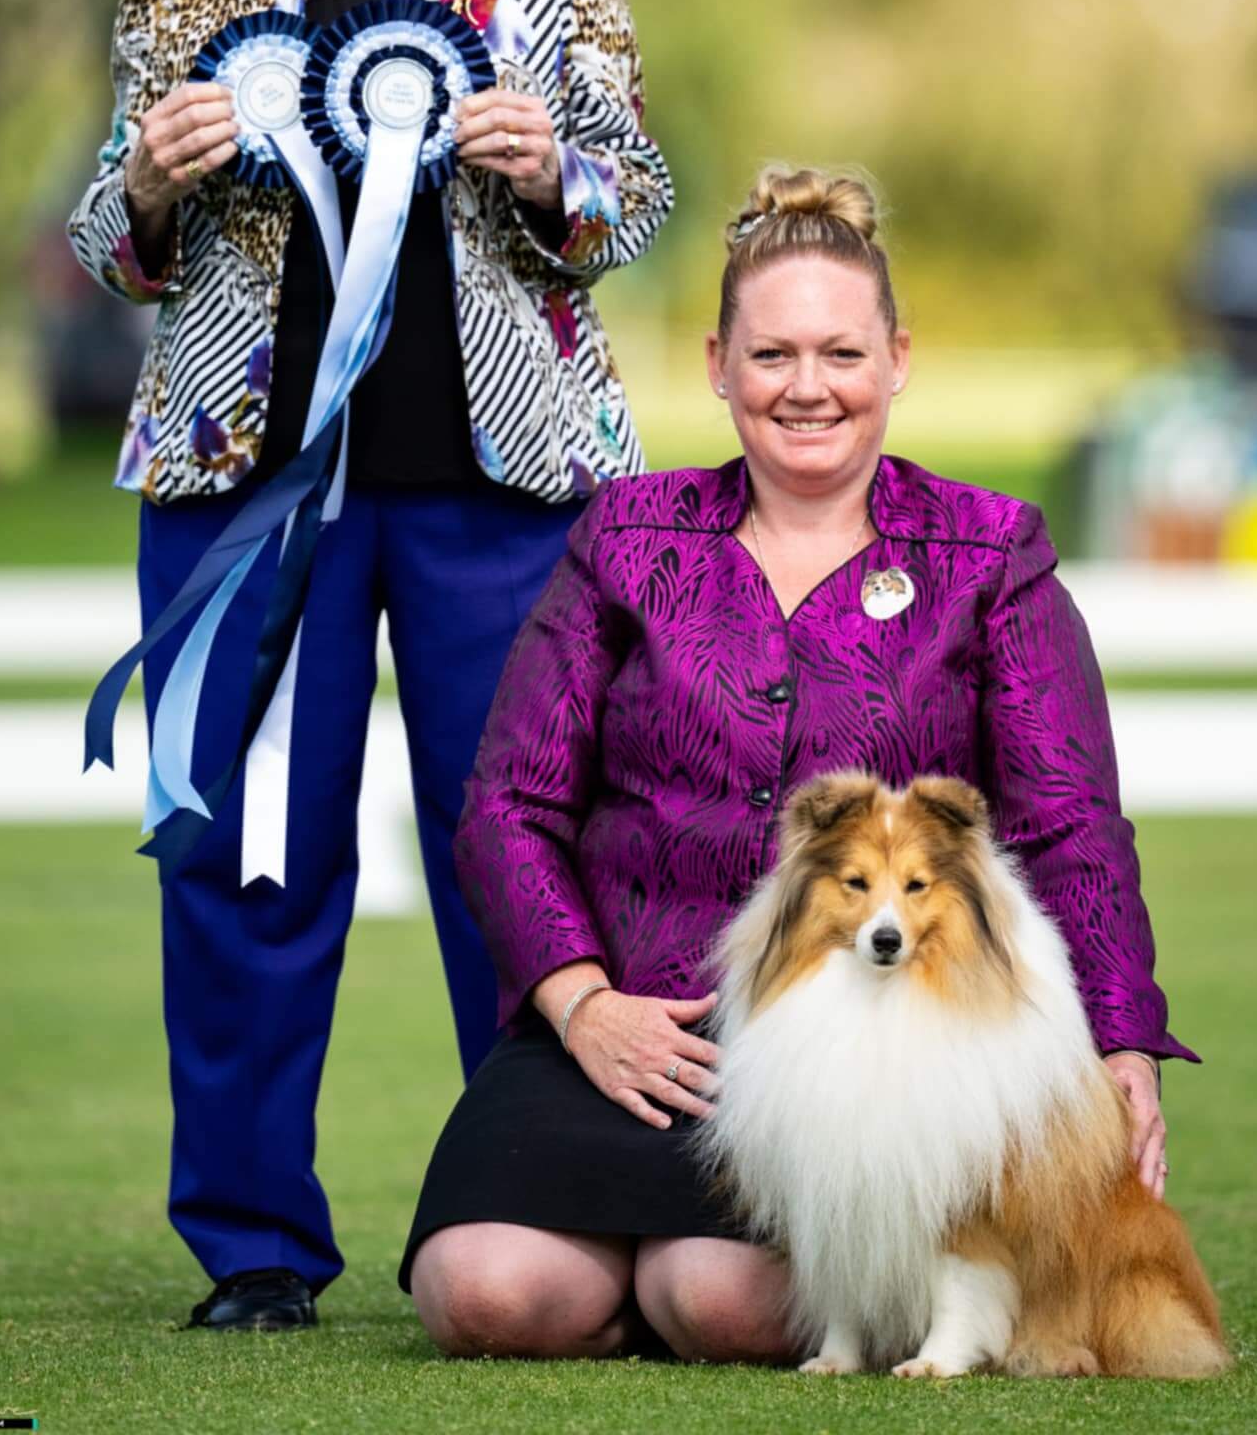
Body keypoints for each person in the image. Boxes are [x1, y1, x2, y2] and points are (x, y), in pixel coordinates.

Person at [66, 0, 671, 1331]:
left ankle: (548, 1222)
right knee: (252, 857)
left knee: (524, 854)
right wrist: (160, 181)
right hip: (242, 490)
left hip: (509, 480)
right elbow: (114, 232)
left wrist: (560, 167)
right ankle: (255, 1246)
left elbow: (631, 190)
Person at [402, 166, 1197, 1363]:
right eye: (773, 355)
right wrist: (584, 1004)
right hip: (631, 1023)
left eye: (841, 351)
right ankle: (613, 1270)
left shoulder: (990, 553)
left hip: (873, 1058)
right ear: (719, 362)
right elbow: (507, 806)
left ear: (897, 358)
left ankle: (670, 1280)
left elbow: (1072, 821)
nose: (808, 387)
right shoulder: (626, 535)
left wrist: (1121, 1042)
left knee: (720, 1299)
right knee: (482, 1293)